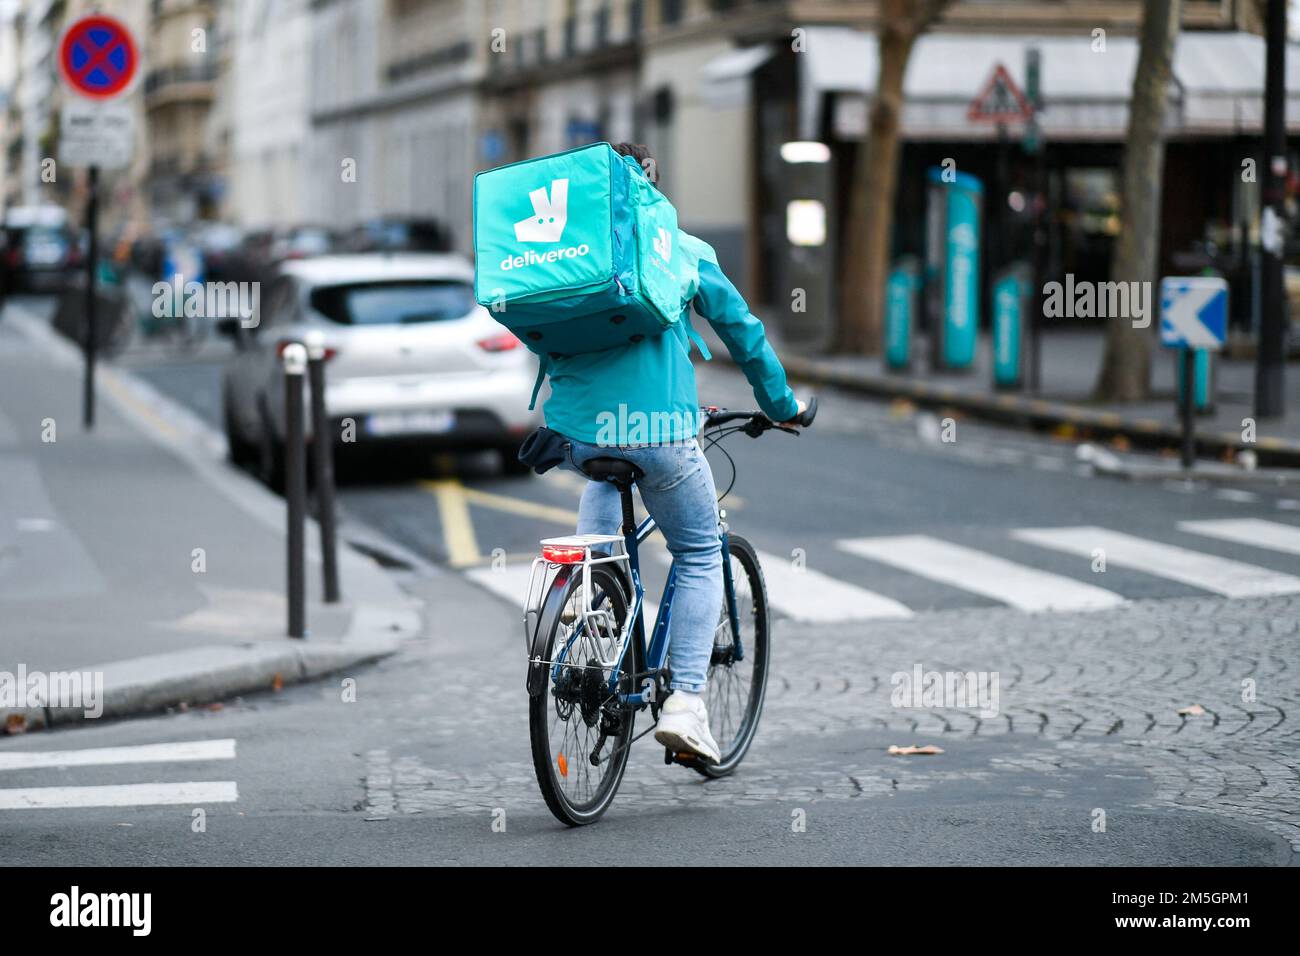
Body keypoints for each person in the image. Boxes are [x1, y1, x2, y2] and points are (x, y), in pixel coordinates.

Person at [543, 142, 807, 763]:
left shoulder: (571, 254)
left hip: (581, 434)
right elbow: (742, 330)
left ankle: (589, 597)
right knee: (696, 552)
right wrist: (781, 403)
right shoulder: (679, 249)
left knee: (604, 472)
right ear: (650, 188)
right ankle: (686, 703)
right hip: (659, 430)